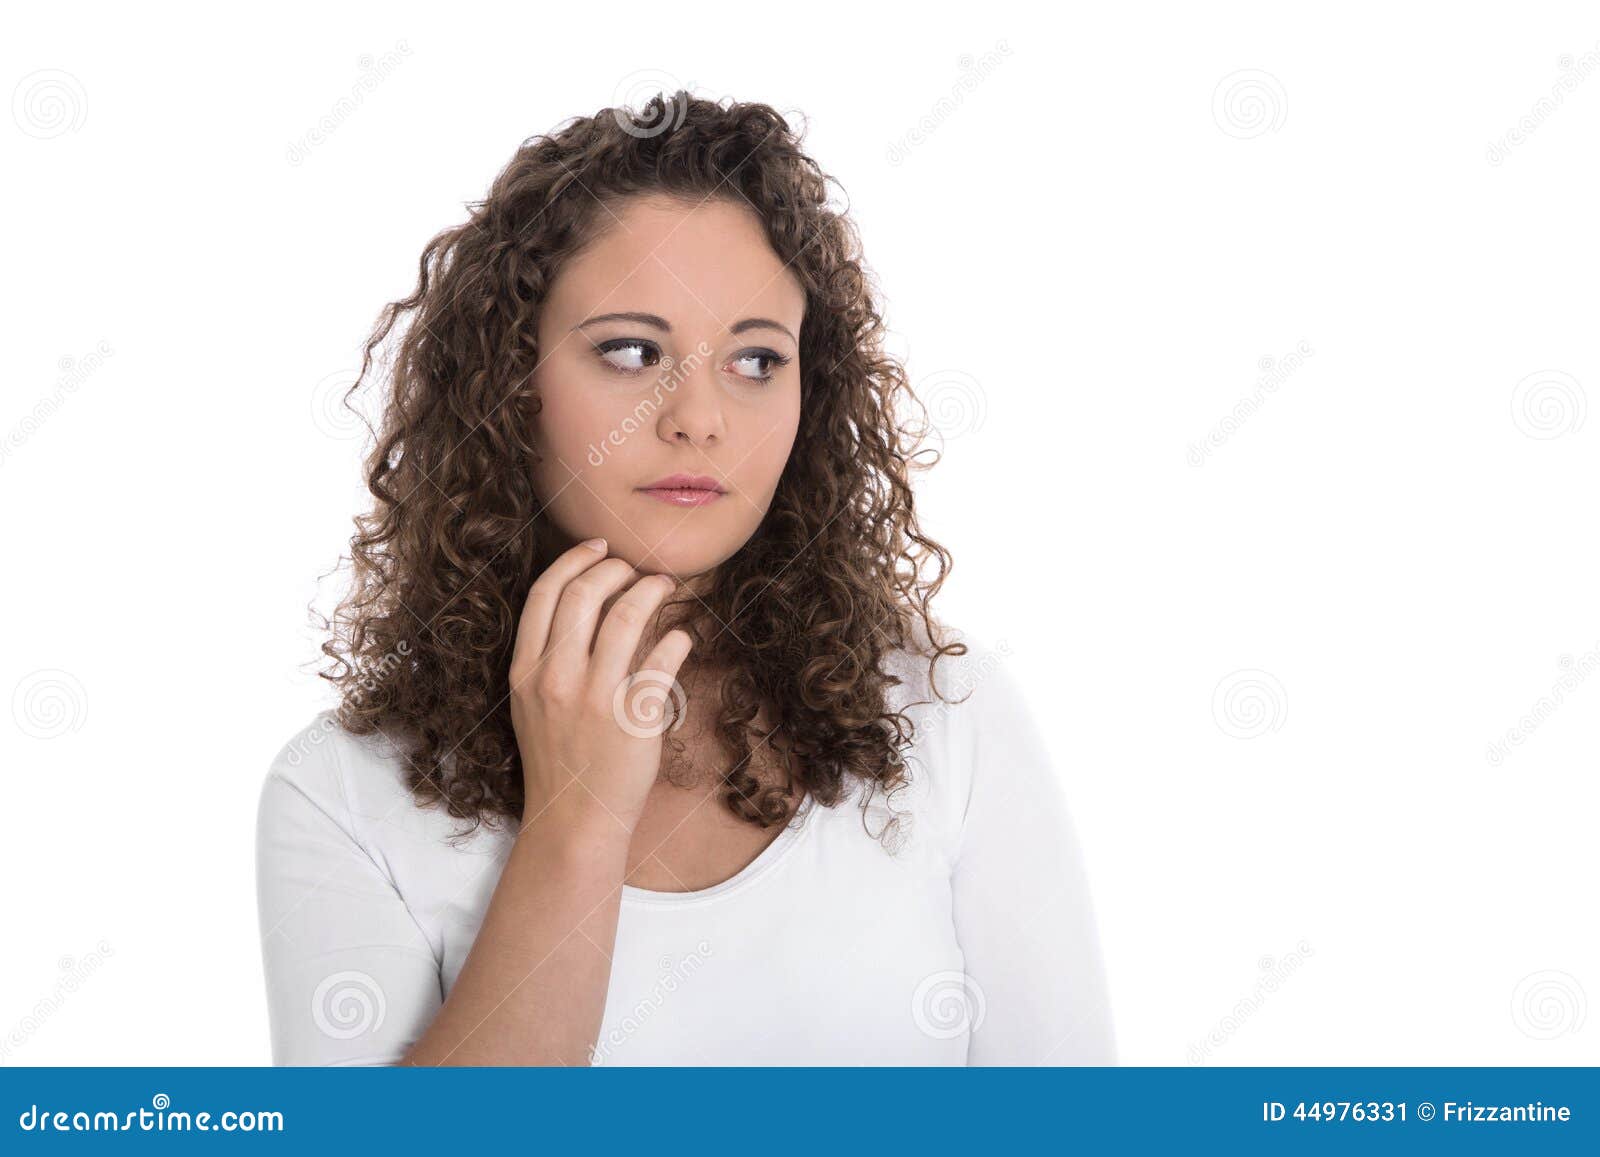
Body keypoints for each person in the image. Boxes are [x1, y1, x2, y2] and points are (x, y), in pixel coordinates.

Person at [255, 91, 1115, 1066]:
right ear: (510, 382)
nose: (698, 417)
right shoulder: (340, 793)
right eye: (631, 351)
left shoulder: (946, 714)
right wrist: (577, 822)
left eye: (755, 358)